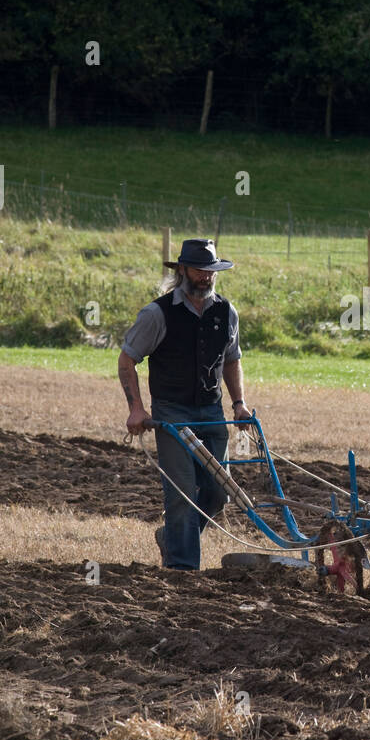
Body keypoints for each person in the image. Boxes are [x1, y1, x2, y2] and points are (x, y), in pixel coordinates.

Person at [119, 238, 251, 569]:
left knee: (219, 493)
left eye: (211, 271)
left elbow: (231, 360)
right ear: (182, 271)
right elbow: (127, 360)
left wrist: (239, 403)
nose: (206, 277)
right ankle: (182, 569)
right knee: (181, 492)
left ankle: (172, 538)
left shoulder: (226, 312)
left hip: (211, 412)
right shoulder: (157, 314)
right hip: (172, 413)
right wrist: (136, 408)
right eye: (199, 270)